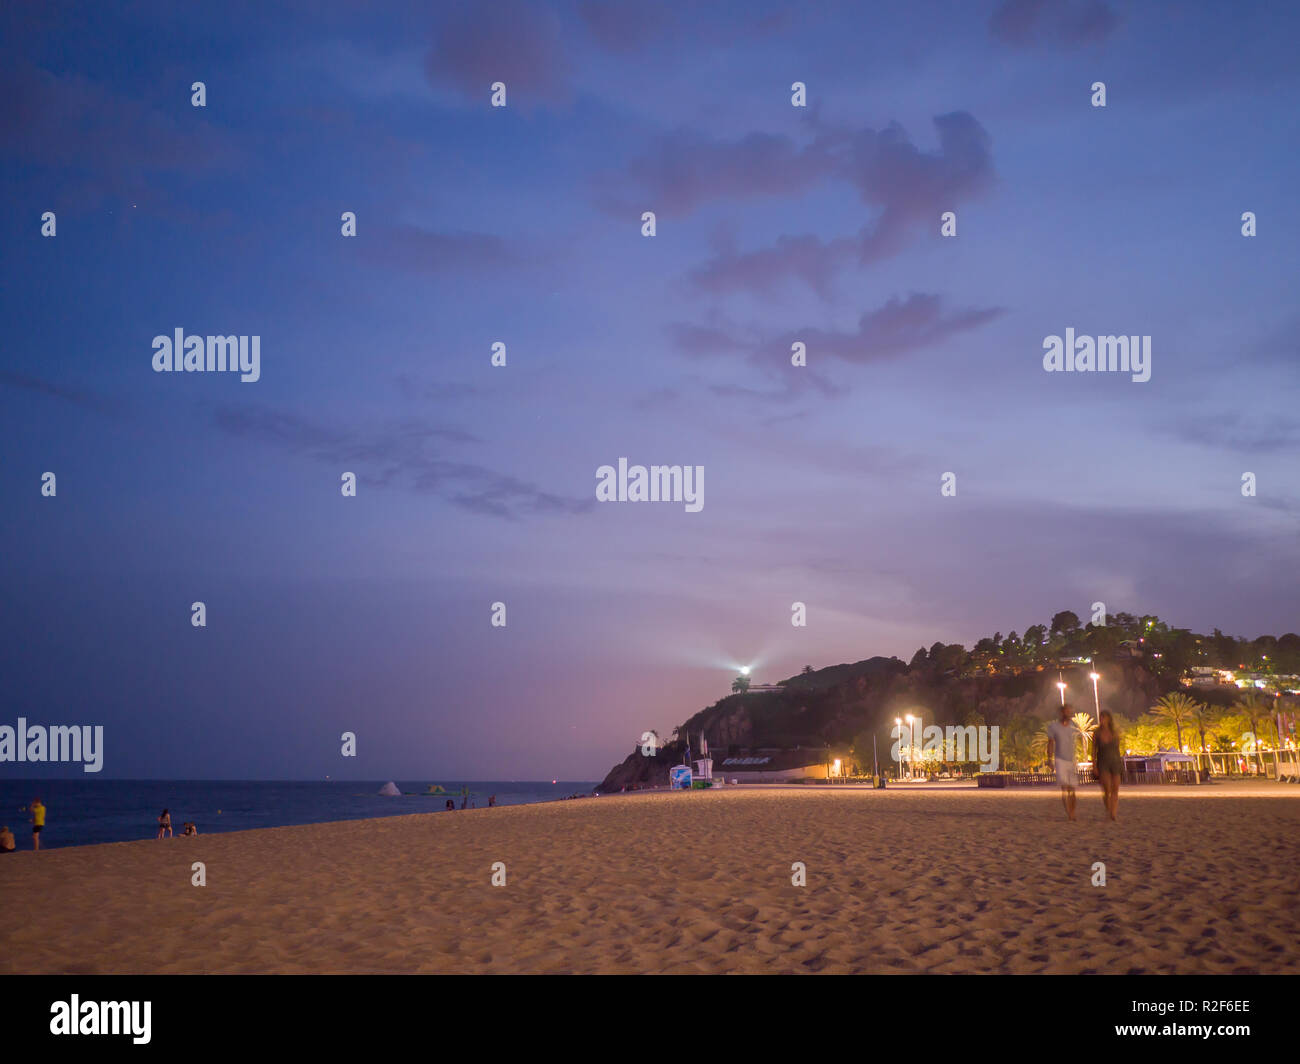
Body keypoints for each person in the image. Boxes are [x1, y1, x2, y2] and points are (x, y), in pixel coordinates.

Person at [1046, 704, 1082, 821]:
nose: (1069, 713)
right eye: (1067, 712)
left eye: (1070, 711)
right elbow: (1050, 743)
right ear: (1062, 713)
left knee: (1072, 789)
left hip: (1072, 760)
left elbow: (1078, 741)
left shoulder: (1073, 725)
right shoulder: (1053, 727)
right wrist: (1049, 759)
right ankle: (1069, 813)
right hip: (1060, 760)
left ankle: (1073, 811)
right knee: (1065, 788)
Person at [1093, 710, 1123, 821]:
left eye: (1103, 717)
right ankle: (1108, 809)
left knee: (1115, 789)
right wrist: (1094, 765)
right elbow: (1093, 750)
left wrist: (1120, 763)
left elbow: (1118, 749)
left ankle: (1113, 813)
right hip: (1103, 762)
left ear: (1108, 719)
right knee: (1106, 789)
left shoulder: (1115, 733)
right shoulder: (1096, 733)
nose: (1101, 720)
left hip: (1115, 762)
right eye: (1100, 718)